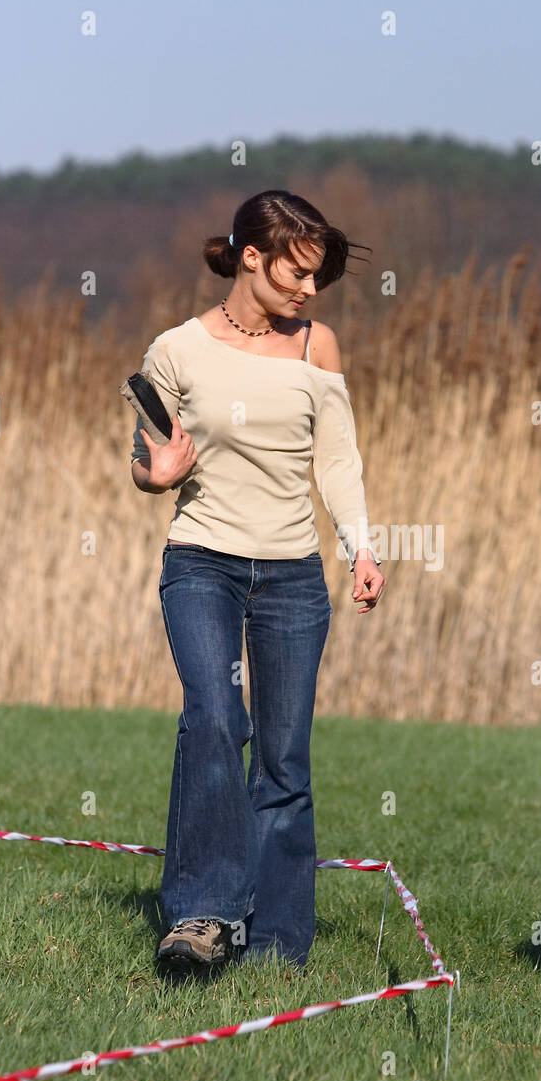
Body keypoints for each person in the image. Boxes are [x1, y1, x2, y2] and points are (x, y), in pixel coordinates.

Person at [129, 189, 385, 979]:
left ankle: (276, 942)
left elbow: (335, 460)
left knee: (283, 755)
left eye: (318, 279)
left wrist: (361, 547)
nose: (310, 290)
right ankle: (202, 916)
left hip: (292, 577)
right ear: (250, 257)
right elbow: (146, 459)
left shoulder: (318, 349)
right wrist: (155, 474)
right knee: (213, 716)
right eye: (297, 273)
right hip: (201, 560)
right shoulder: (176, 350)